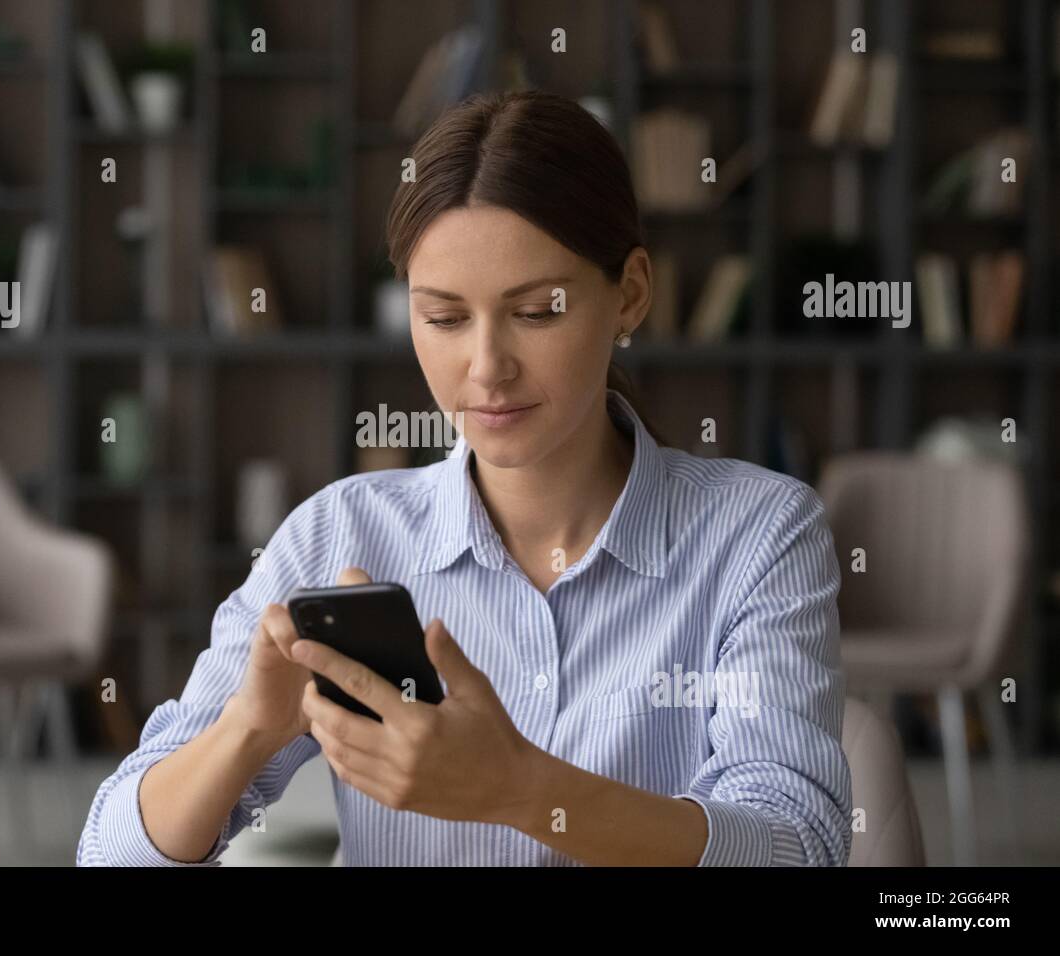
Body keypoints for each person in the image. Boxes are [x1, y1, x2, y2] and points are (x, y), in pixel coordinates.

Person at [77, 89, 851, 867]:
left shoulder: (759, 533)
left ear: (631, 293)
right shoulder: (339, 536)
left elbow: (799, 848)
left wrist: (520, 790)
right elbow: (108, 856)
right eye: (444, 319)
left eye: (536, 313)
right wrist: (246, 731)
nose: (486, 370)